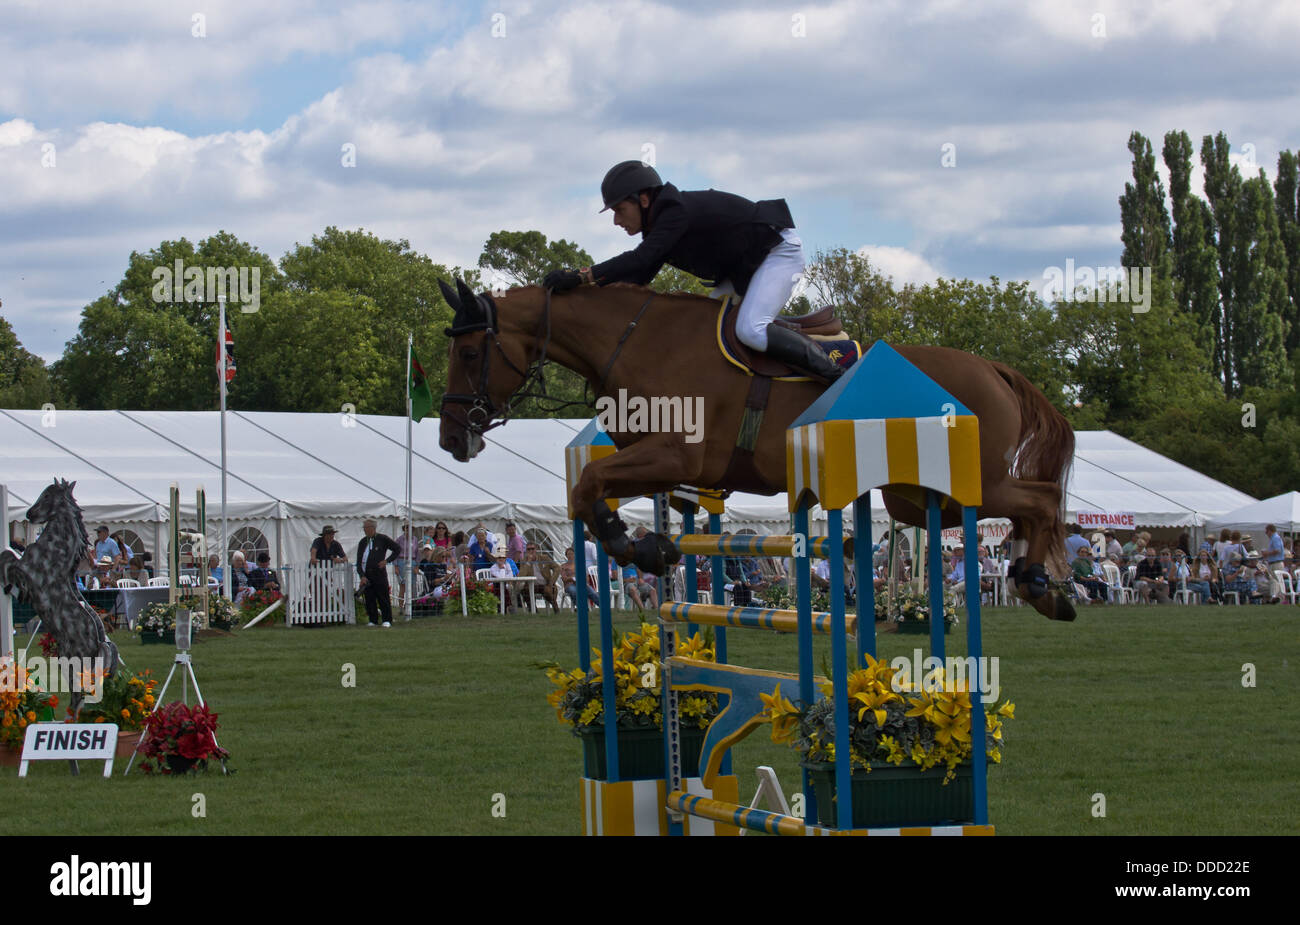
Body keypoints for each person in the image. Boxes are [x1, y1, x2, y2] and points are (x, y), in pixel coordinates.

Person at [542, 161, 843, 383]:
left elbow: (638, 260)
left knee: (750, 330)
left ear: (643, 200)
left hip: (778, 251)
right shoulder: (661, 226)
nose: (617, 221)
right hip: (743, 268)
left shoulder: (675, 213)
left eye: (620, 210)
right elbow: (639, 277)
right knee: (703, 331)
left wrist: (582, 275)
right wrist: (583, 293)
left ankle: (834, 376)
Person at [355, 519, 400, 627]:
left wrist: (387, 561)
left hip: (379, 573)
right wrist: (362, 575)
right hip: (367, 574)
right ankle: (373, 619)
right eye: (364, 528)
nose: (365, 530)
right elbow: (359, 560)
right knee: (369, 598)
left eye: (366, 527)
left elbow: (397, 549)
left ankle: (387, 619)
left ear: (373, 528)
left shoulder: (382, 539)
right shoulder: (362, 542)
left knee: (383, 596)